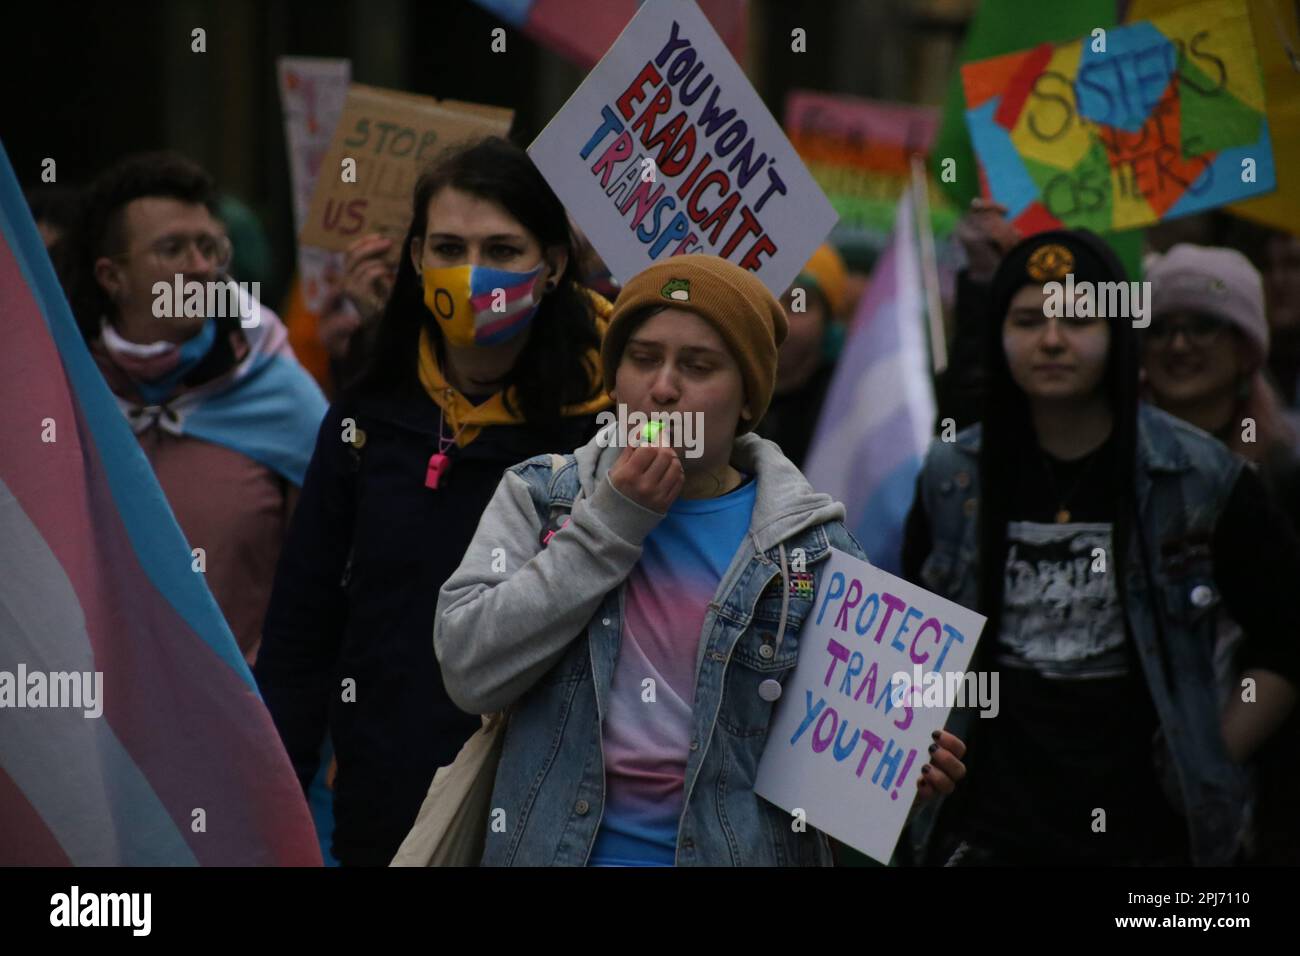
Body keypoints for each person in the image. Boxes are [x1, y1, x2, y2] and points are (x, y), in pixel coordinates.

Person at [434, 254, 967, 867]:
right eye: (642, 359)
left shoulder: (812, 549)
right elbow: (468, 669)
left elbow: (835, 796)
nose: (663, 387)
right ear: (615, 382)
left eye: (698, 366)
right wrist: (609, 525)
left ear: (747, 399)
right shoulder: (541, 497)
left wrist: (898, 773)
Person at [254, 136, 614, 867]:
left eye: (502, 249)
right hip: (386, 806)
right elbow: (302, 630)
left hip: (553, 809)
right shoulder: (366, 418)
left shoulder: (603, 427)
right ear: (415, 260)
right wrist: (269, 806)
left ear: (553, 266)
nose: (472, 273)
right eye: (448, 246)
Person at [902, 230, 1300, 866]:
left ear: (1118, 331)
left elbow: (1288, 633)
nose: (1053, 340)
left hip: (1151, 840)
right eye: (1028, 319)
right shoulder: (953, 475)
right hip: (986, 835)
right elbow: (910, 645)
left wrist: (1210, 751)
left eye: (1079, 317)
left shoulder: (1198, 475)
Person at [62, 151, 326, 661]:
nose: (201, 268)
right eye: (173, 249)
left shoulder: (281, 393)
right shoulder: (67, 394)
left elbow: (330, 578)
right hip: (94, 715)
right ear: (111, 276)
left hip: (244, 718)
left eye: (210, 247)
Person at [1142, 243, 1300, 864]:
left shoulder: (1283, 476)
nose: (1181, 345)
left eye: (1205, 325)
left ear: (1246, 349)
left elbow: (1288, 636)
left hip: (1260, 792)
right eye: (1163, 328)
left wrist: (1208, 760)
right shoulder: (1109, 470)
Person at [756, 242, 849, 469]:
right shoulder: (718, 397)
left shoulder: (847, 407)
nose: (777, 318)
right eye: (765, 300)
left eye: (797, 304)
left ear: (829, 321)